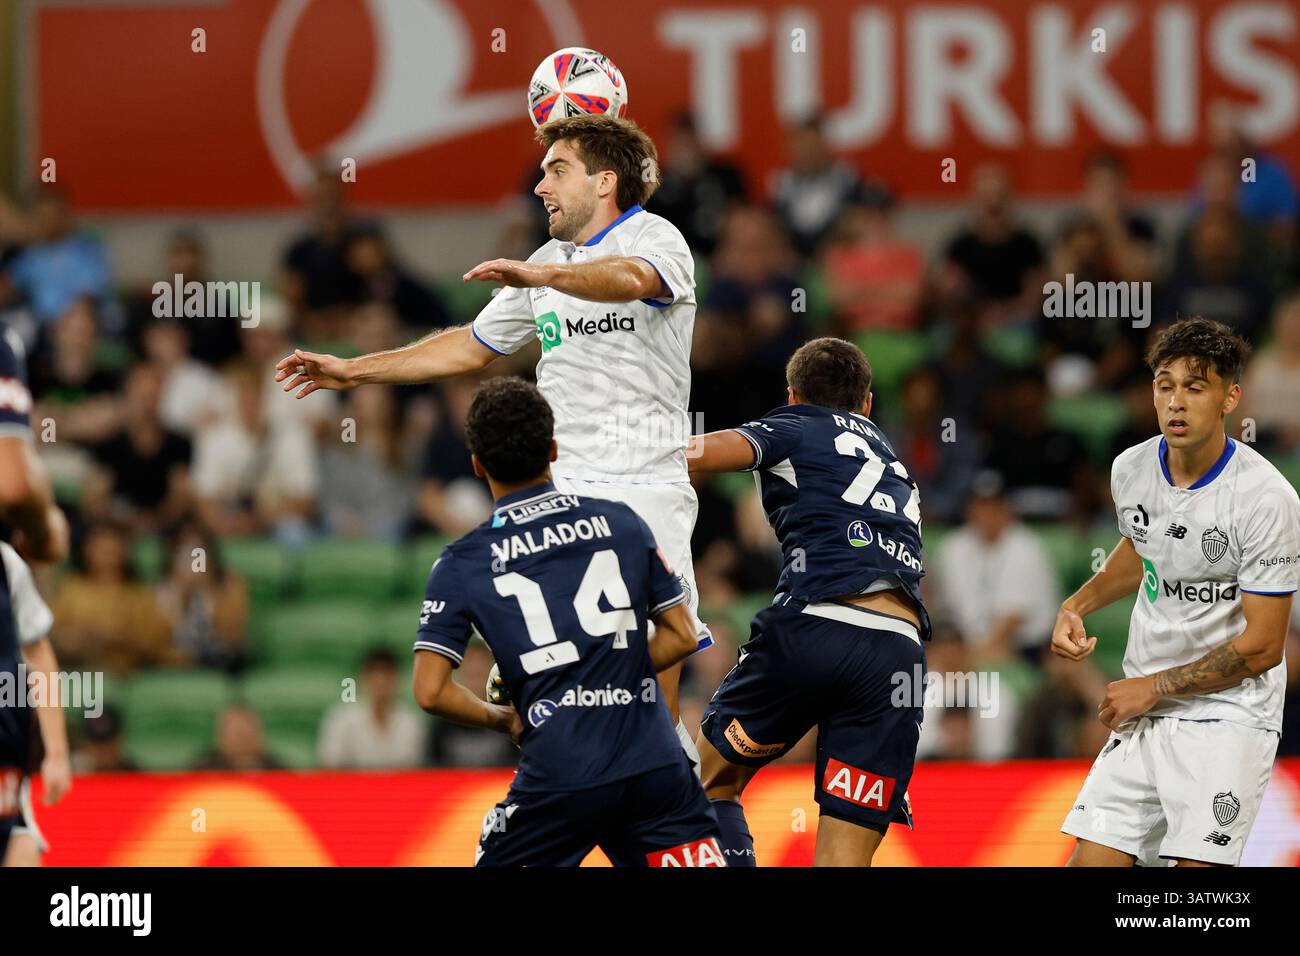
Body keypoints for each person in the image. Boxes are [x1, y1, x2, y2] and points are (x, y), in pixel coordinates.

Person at [276, 114, 713, 768]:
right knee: (575, 720)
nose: (540, 185)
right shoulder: (543, 264)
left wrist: (547, 281)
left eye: (555, 170)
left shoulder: (657, 239)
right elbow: (470, 346)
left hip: (645, 488)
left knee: (655, 701)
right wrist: (354, 368)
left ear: (604, 180)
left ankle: (682, 808)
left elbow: (630, 280)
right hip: (561, 495)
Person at [410, 378, 723, 866]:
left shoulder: (461, 561)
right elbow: (682, 635)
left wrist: (506, 716)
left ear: (477, 465)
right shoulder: (622, 522)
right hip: (653, 765)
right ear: (554, 449)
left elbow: (430, 691)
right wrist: (607, 672)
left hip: (559, 771)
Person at [1056, 318, 1298, 867]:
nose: (1176, 403)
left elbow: (1263, 648)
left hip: (1228, 716)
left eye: (1195, 387)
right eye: (1165, 386)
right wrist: (1078, 604)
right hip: (1147, 713)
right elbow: (1145, 546)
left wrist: (1154, 687)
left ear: (1229, 397)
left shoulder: (1266, 499)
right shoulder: (1131, 468)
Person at [686, 337, 929, 867]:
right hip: (897, 655)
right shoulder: (892, 458)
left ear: (792, 395)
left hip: (817, 625)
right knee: (844, 858)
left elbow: (693, 455)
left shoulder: (795, 425)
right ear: (866, 403)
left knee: (706, 786)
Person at [0, 325, 72, 866]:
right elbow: (17, 484)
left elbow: (38, 647)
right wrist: (47, 526)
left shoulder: (5, 567)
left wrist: (58, 753)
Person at [318, 647, 427, 770]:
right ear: (363, 678)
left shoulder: (412, 720)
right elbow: (330, 767)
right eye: (374, 675)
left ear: (397, 679)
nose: (380, 681)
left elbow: (414, 769)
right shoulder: (341, 718)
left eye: (387, 675)